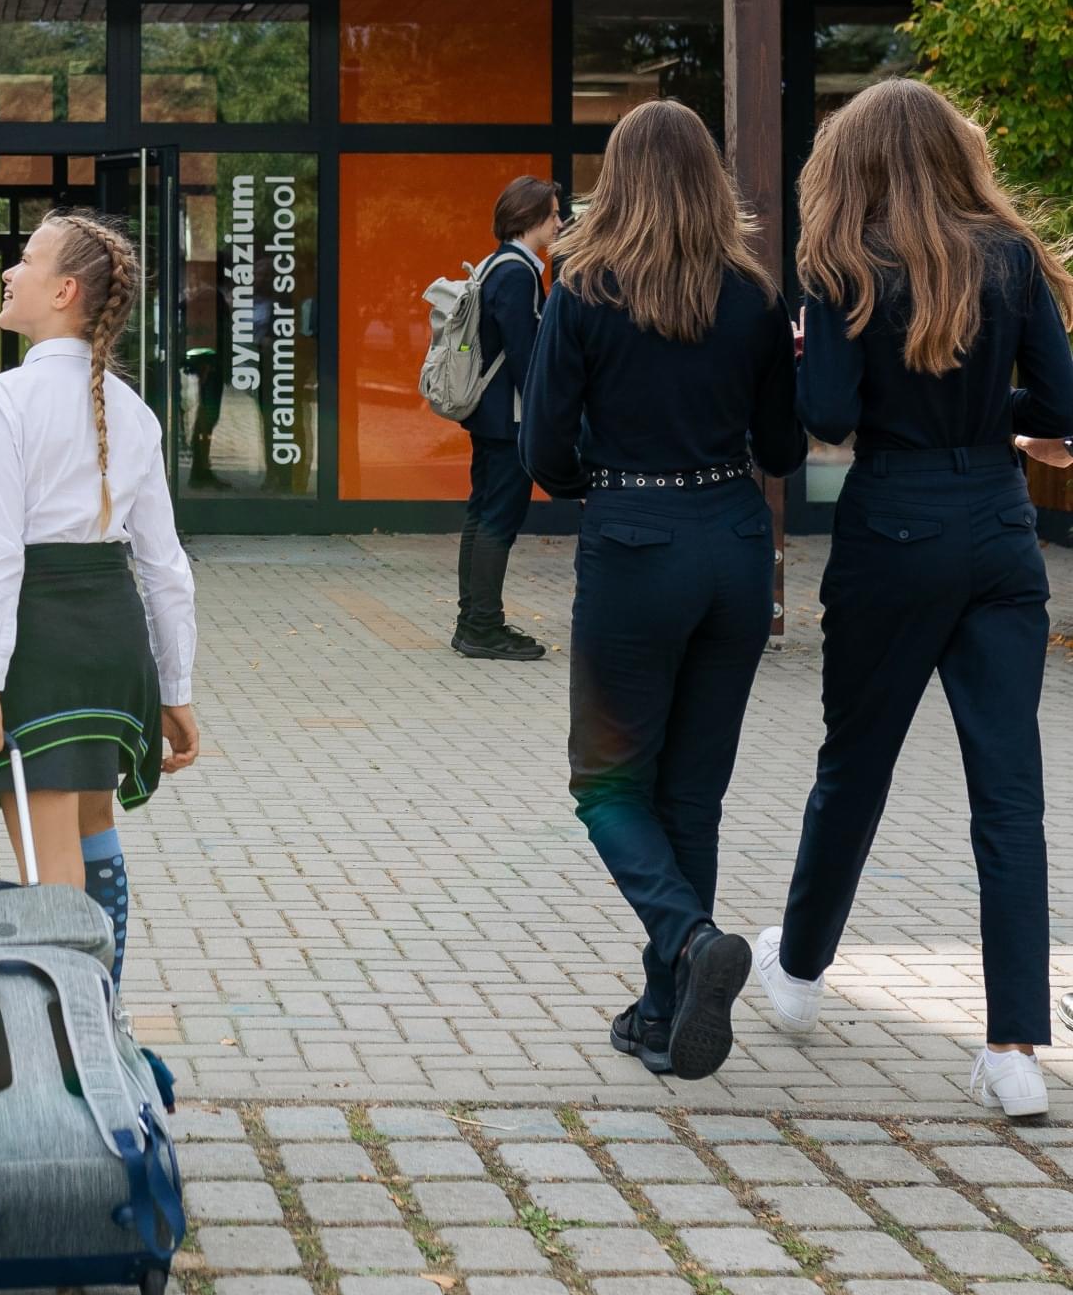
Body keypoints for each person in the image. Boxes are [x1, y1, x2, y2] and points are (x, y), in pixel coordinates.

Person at [750, 78, 1073, 1120]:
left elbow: (829, 418)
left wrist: (885, 384)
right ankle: (1014, 1050)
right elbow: (1062, 406)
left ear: (856, 160)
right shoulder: (1012, 255)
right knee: (1008, 795)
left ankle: (795, 980)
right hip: (995, 528)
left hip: (890, 529)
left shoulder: (837, 261)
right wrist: (984, 405)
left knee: (852, 768)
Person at [519, 103, 804, 1080]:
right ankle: (663, 1013)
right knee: (691, 793)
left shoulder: (585, 288)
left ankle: (685, 946)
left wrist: (592, 474)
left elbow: (543, 449)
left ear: (620, 178)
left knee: (602, 783)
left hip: (634, 543)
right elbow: (780, 449)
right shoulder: (751, 293)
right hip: (731, 545)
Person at [0, 210, 201, 987]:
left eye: (24, 260)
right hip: (117, 642)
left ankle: (75, 1050)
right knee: (94, 835)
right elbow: (165, 566)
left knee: (51, 880)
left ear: (63, 291)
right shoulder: (136, 411)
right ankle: (106, 1022)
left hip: (45, 642)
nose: (8, 272)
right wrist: (177, 686)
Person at [453, 174, 561, 659]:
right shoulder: (517, 273)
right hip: (508, 420)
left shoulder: (496, 265)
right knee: (498, 518)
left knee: (481, 515)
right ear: (530, 218)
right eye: (554, 214)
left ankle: (473, 621)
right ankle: (482, 627)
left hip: (489, 415)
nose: (560, 222)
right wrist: (547, 414)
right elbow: (525, 356)